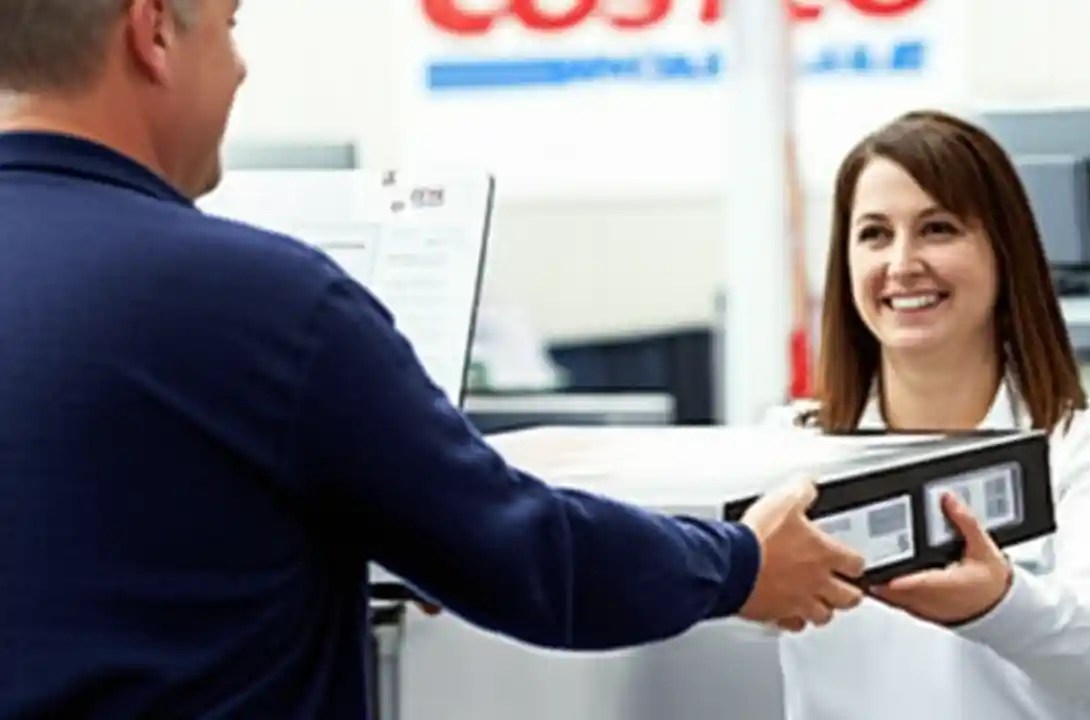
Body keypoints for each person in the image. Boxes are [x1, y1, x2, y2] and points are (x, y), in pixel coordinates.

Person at [0, 1, 868, 717]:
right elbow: (525, 556)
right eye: (231, 26)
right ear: (153, 31)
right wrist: (739, 564)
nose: (241, 69)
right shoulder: (266, 301)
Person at [769, 111, 1090, 719]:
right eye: (875, 234)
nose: (902, 263)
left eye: (938, 229)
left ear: (1005, 253)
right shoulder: (788, 449)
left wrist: (997, 601)